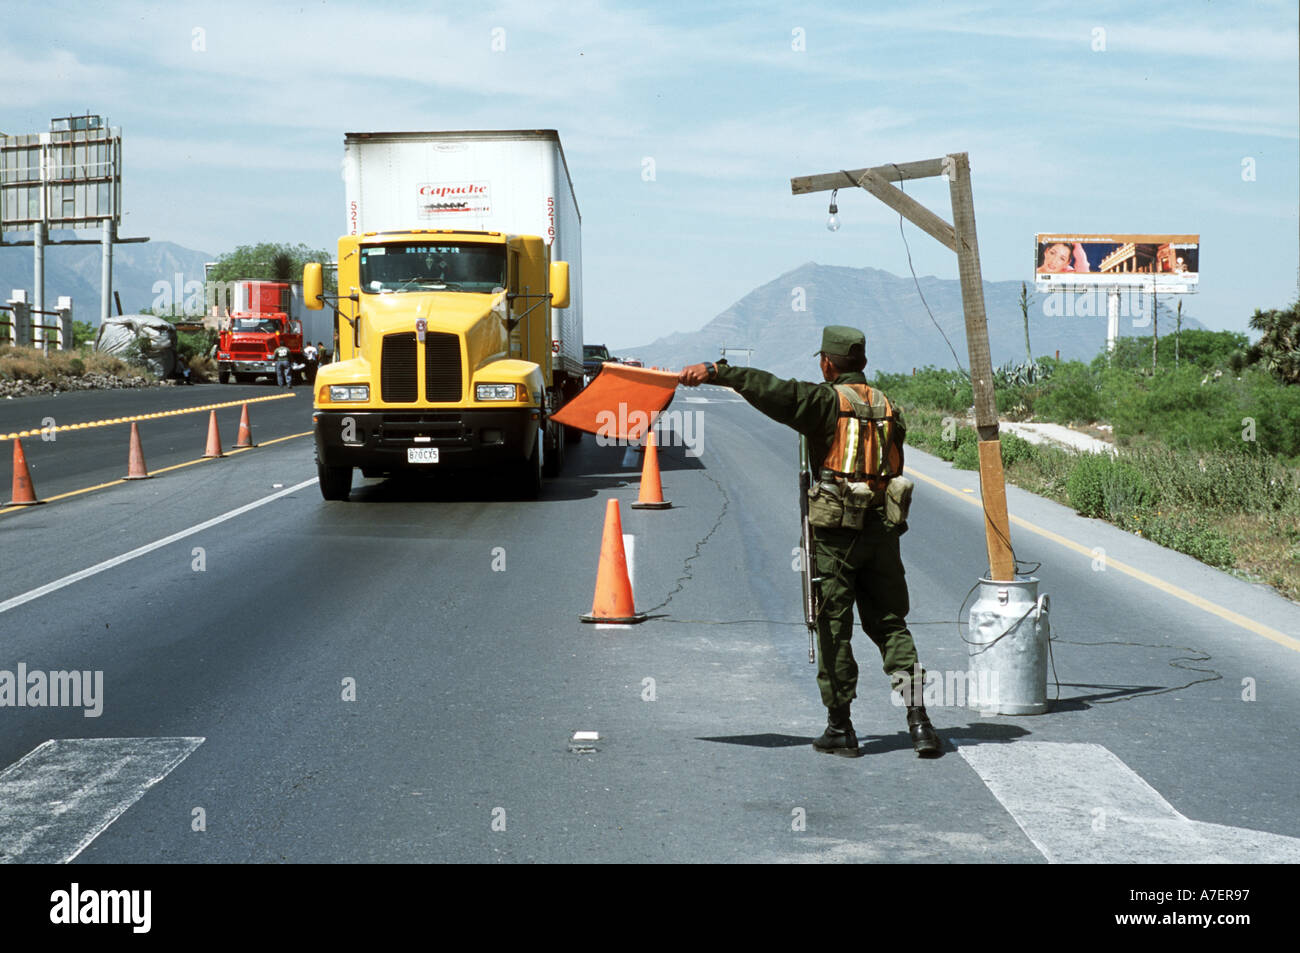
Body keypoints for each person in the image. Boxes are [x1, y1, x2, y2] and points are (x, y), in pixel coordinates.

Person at [678, 326, 941, 758]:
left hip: (837, 537)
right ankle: (920, 724)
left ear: (827, 364)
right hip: (882, 530)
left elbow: (770, 389)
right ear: (863, 363)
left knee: (834, 627)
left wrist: (716, 371)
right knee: (891, 624)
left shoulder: (824, 402)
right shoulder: (889, 406)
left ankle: (841, 728)